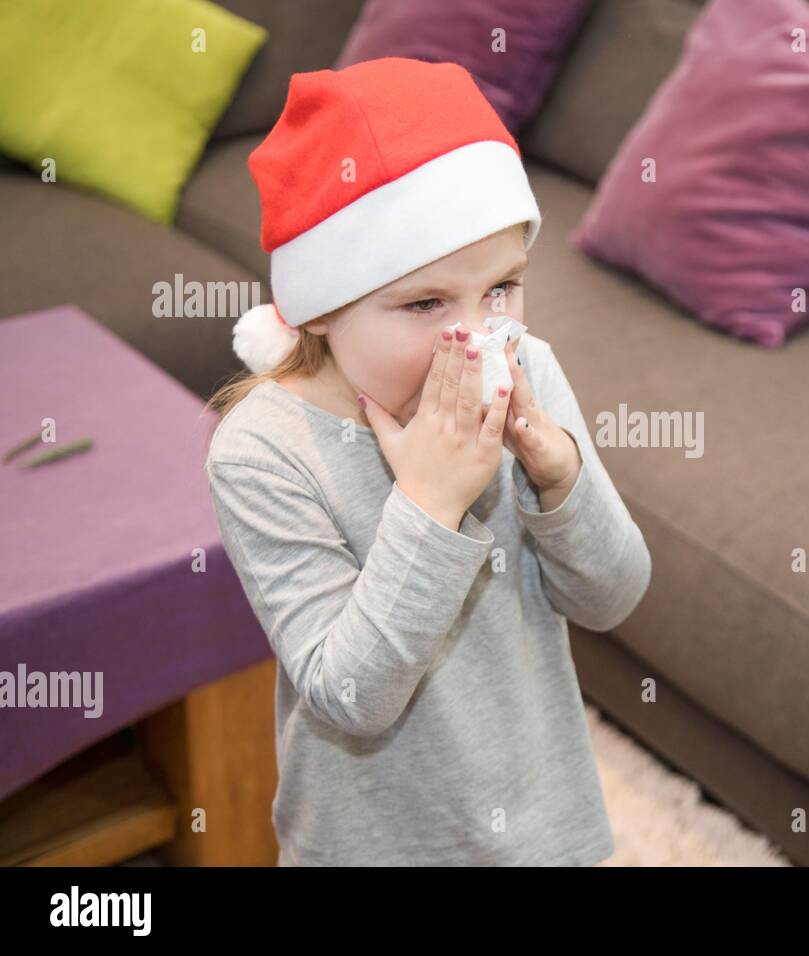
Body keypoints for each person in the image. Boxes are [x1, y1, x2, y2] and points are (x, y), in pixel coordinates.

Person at [203, 57, 652, 866]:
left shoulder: (527, 370)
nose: (479, 336)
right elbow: (350, 698)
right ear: (322, 310)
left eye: (503, 288)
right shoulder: (263, 451)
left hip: (545, 825)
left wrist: (560, 478)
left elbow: (614, 596)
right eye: (424, 303)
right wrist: (431, 499)